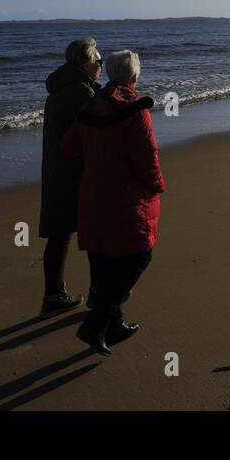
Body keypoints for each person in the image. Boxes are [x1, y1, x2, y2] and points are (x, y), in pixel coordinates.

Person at [62, 49, 164, 354]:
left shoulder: (91, 105)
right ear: (133, 76)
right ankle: (98, 321)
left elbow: (68, 147)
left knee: (104, 261)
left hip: (93, 195)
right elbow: (146, 156)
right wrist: (157, 184)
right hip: (127, 197)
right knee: (138, 256)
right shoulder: (134, 108)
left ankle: (113, 323)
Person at [37, 38, 102, 318]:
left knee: (59, 233)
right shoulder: (80, 94)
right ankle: (98, 294)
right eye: (98, 62)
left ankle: (54, 293)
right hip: (75, 172)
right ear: (86, 64)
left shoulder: (62, 87)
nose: (101, 66)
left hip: (56, 169)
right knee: (95, 233)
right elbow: (96, 134)